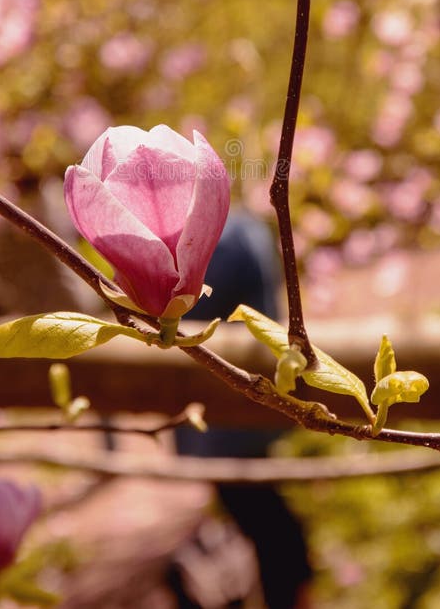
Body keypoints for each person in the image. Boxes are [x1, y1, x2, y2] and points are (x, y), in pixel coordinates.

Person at [173, 209, 313, 609]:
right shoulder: (243, 228)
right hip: (243, 404)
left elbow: (188, 308)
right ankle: (286, 590)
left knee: (263, 519)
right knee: (261, 514)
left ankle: (287, 593)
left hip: (229, 410)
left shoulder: (223, 238)